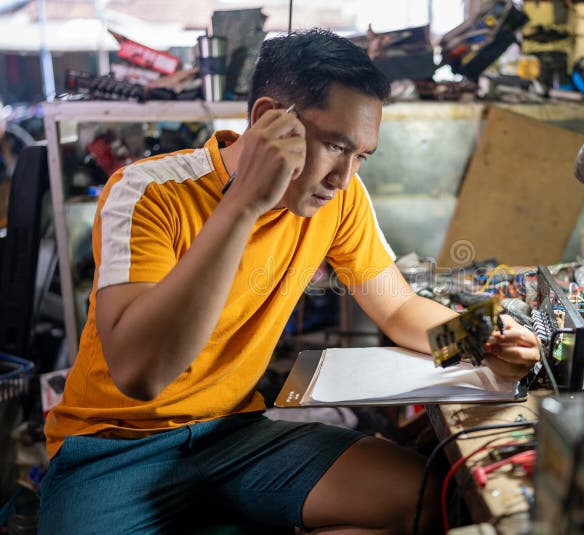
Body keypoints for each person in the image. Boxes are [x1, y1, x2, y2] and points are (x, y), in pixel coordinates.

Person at [39, 29, 540, 534]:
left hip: (232, 436)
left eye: (362, 156)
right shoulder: (149, 193)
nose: (343, 178)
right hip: (112, 448)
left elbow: (398, 309)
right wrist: (244, 203)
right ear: (266, 121)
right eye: (335, 146)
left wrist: (479, 337)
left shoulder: (339, 199)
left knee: (430, 502)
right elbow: (141, 375)